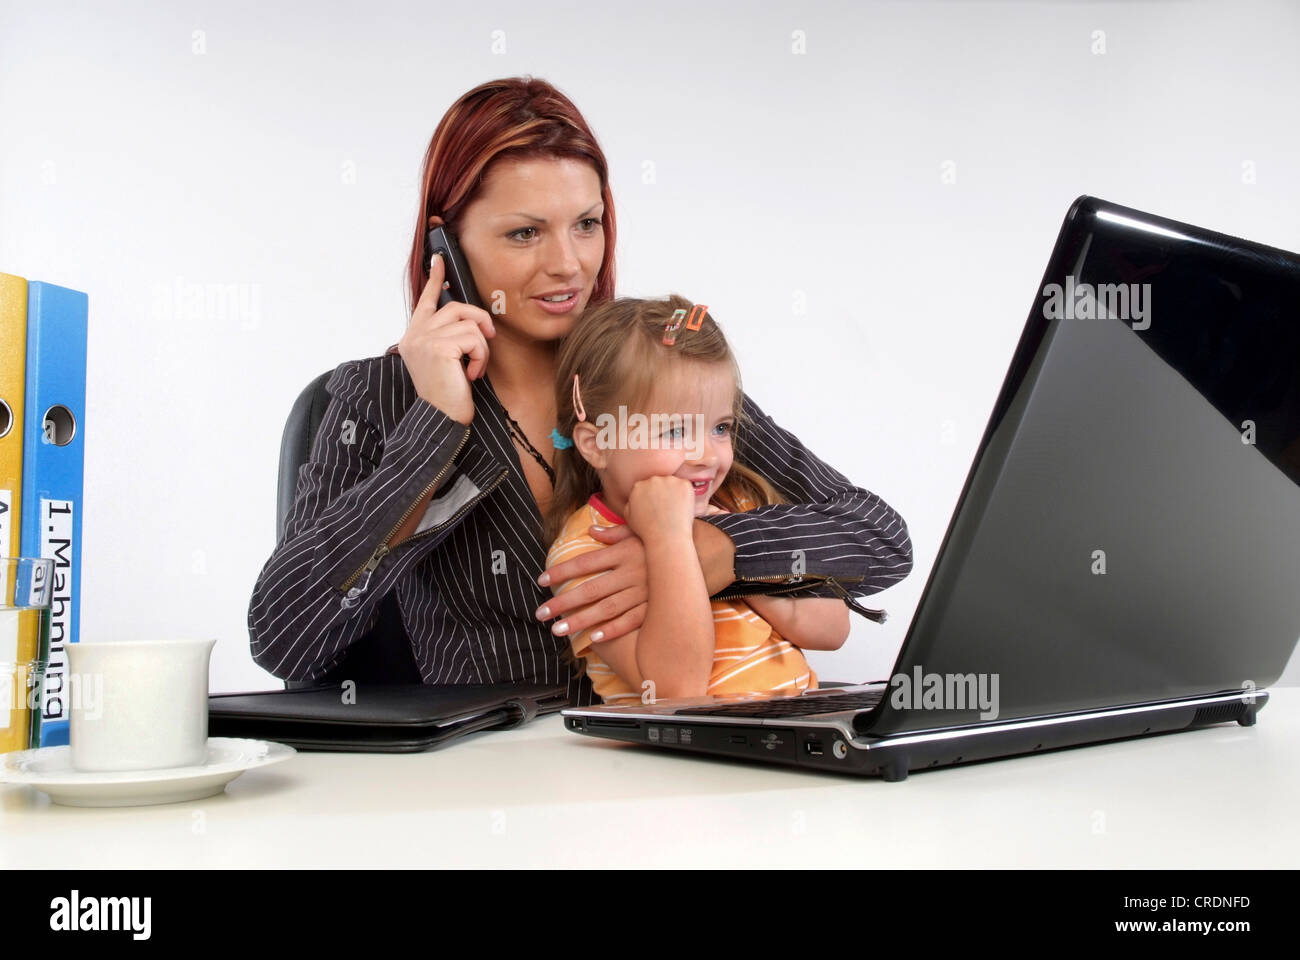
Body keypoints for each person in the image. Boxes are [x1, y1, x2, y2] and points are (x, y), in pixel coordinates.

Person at [246, 76, 914, 707]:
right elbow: (285, 639)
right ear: (445, 244)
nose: (568, 264)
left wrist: (725, 553)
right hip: (503, 775)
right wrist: (434, 429)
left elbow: (879, 538)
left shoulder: (650, 368)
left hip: (684, 756)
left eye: (586, 225)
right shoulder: (379, 398)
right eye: (525, 232)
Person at [545, 295, 862, 704]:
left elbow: (832, 629)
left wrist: (734, 555)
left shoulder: (738, 505)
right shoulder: (586, 550)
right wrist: (669, 541)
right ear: (597, 444)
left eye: (720, 428)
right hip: (690, 752)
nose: (708, 456)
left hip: (794, 725)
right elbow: (674, 692)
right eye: (675, 432)